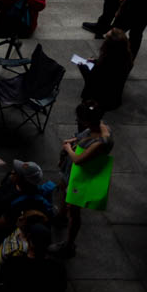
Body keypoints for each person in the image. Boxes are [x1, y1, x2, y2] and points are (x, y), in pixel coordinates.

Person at [55, 99, 113, 258]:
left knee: (74, 212)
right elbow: (83, 137)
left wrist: (68, 148)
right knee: (64, 190)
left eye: (79, 119)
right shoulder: (99, 125)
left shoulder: (100, 142)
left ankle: (69, 245)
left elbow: (78, 160)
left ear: (87, 121)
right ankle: (60, 217)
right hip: (72, 172)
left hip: (82, 175)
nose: (78, 121)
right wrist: (73, 141)